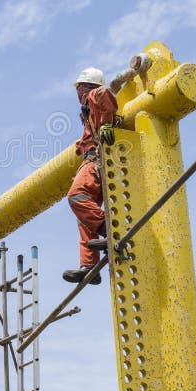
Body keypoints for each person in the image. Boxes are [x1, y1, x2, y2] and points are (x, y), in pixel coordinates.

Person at [62, 67, 119, 285]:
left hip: (95, 160)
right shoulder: (87, 112)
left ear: (87, 87)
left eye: (80, 87)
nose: (78, 92)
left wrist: (105, 123)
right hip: (90, 157)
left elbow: (106, 93)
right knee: (85, 219)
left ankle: (109, 228)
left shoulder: (95, 95)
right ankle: (89, 267)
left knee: (76, 195)